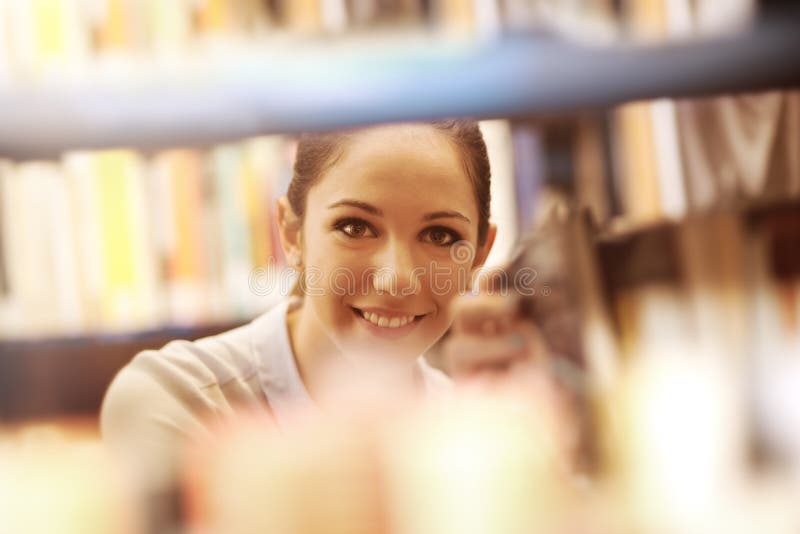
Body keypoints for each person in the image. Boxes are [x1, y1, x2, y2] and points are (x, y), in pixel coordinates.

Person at [101, 120, 553, 514]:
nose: (397, 279)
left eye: (439, 234)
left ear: (478, 254)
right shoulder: (176, 399)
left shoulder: (489, 432)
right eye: (355, 227)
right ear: (292, 234)